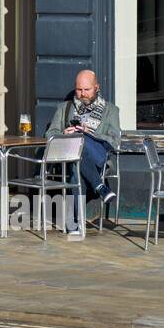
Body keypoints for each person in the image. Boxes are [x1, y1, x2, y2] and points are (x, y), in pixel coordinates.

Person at [45, 69, 121, 235]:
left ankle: (74, 221)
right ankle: (99, 189)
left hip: (99, 157)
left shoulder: (111, 110)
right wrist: (63, 134)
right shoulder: (65, 108)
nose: (82, 94)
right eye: (79, 90)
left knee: (82, 139)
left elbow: (115, 141)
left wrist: (90, 133)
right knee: (76, 169)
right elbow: (49, 134)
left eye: (87, 90)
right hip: (71, 157)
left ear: (96, 88)